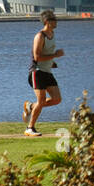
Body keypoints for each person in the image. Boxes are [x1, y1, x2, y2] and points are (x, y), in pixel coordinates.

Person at [24, 9, 64, 137]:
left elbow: (46, 54)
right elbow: (37, 57)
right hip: (37, 72)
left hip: (47, 71)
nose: (56, 22)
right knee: (41, 101)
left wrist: (52, 62)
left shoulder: (52, 34)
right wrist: (55, 55)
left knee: (57, 99)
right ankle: (30, 128)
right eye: (54, 20)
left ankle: (30, 107)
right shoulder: (40, 36)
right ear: (47, 22)